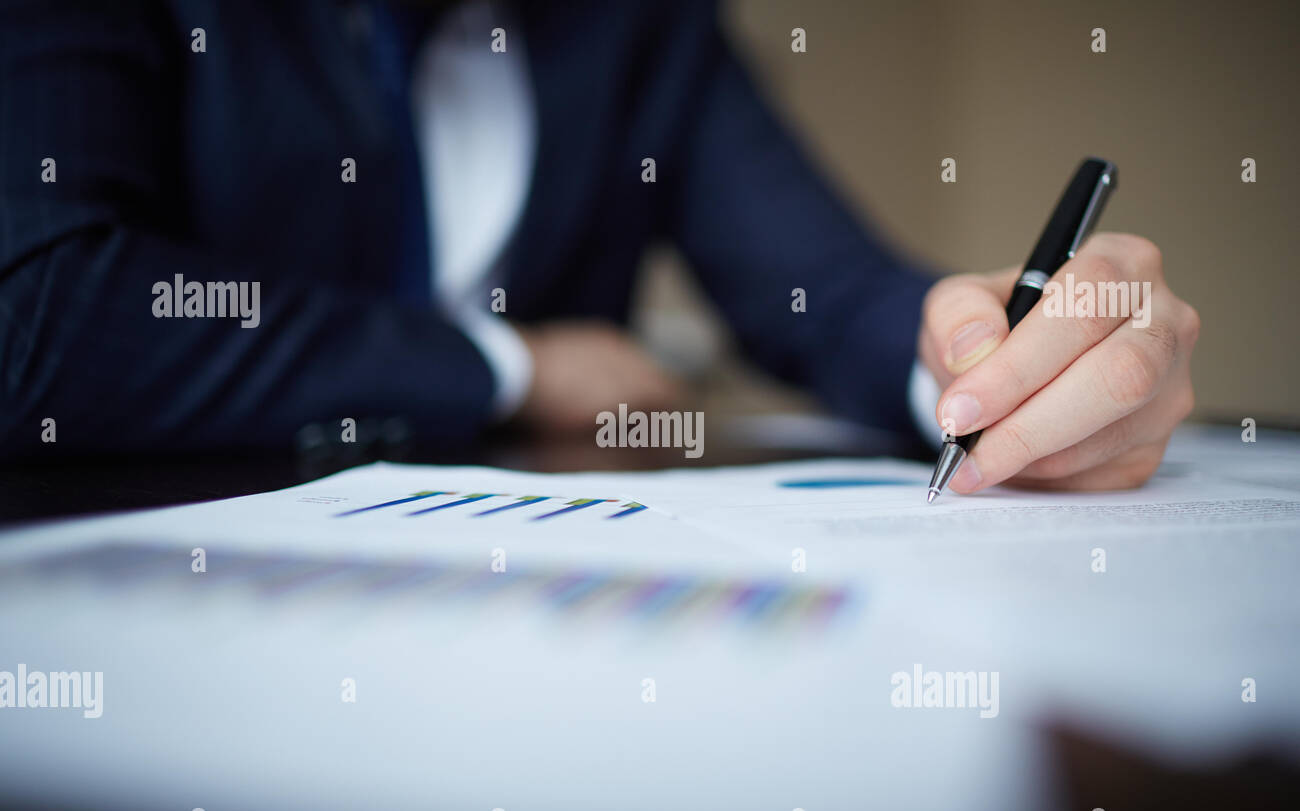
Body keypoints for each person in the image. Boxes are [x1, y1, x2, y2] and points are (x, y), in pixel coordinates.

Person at [0, 0, 1197, 493]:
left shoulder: (638, 26)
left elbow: (827, 293)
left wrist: (975, 358)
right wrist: (508, 369)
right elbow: (42, 302)